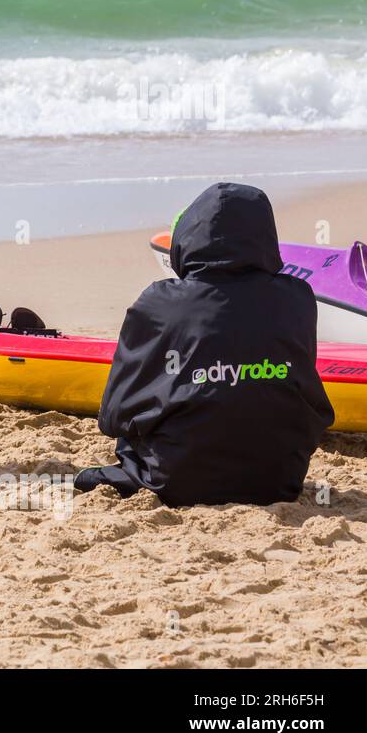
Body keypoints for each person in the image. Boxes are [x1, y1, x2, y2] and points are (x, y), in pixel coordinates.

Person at [76, 182, 335, 506]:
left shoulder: (159, 303)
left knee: (92, 473)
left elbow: (113, 415)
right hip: (280, 480)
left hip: (176, 481)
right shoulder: (297, 298)